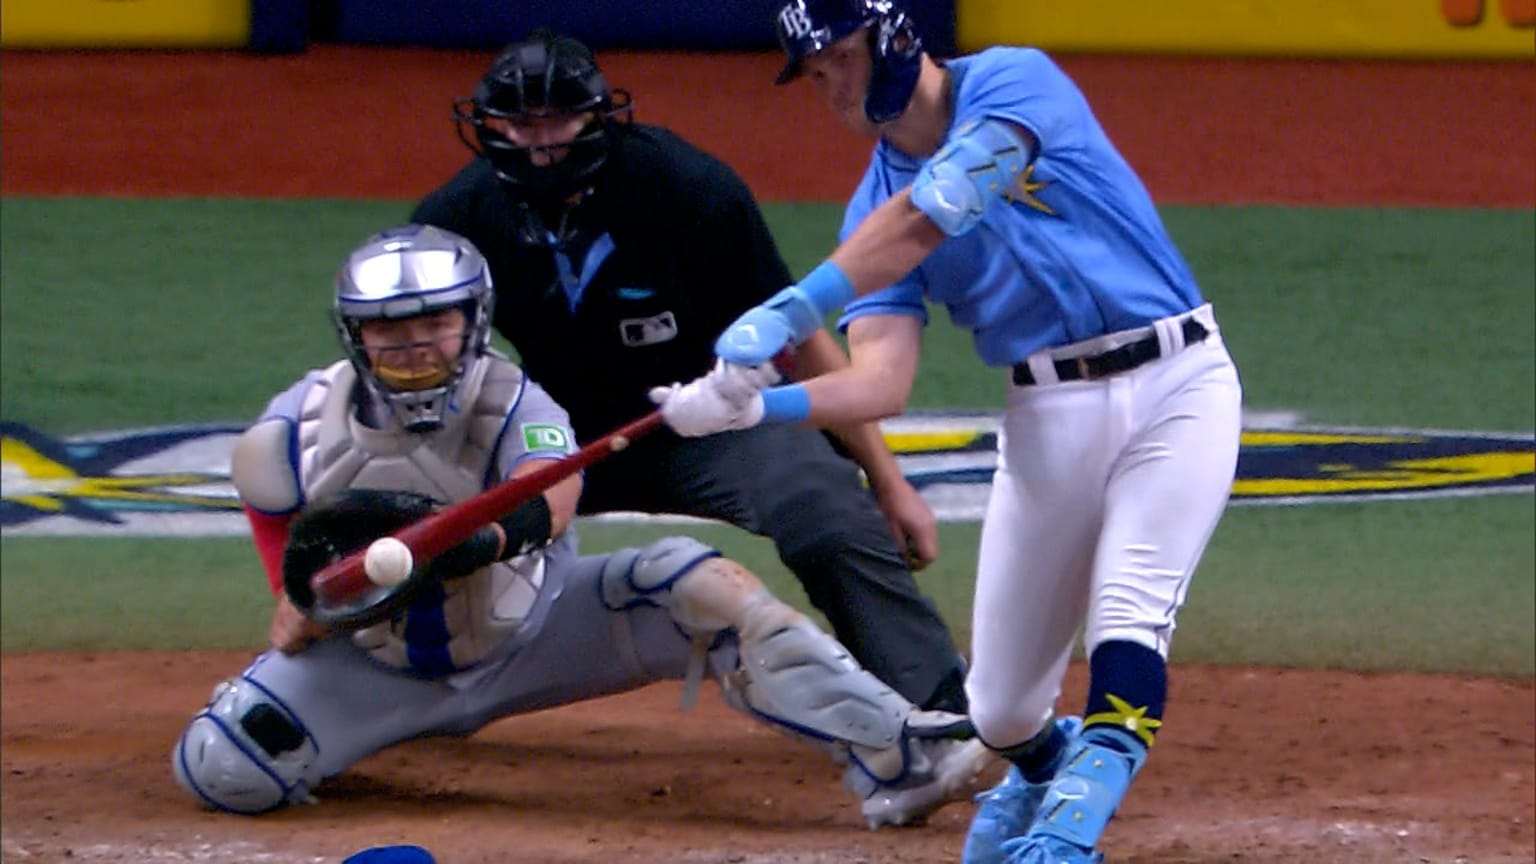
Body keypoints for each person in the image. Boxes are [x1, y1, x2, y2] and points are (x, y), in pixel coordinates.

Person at [648, 2, 1245, 863]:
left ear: (891, 36)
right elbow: (879, 382)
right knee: (1000, 709)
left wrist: (789, 310)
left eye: (839, 58)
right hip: (1050, 417)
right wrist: (757, 407)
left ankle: (1072, 832)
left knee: (1130, 613)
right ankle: (1040, 769)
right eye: (814, 73)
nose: (829, 86)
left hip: (1178, 383)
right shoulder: (869, 213)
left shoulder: (1014, 81)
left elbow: (939, 211)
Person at [168, 224, 983, 831]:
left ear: (473, 322)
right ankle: (368, 734)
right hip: (379, 665)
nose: (415, 345)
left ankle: (899, 751)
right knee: (224, 764)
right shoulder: (294, 429)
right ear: (356, 333)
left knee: (694, 586)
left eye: (435, 323)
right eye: (389, 329)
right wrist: (293, 590)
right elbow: (278, 520)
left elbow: (550, 498)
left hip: (537, 632)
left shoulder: (518, 404)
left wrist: (474, 543)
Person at [409, 29, 990, 825]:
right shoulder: (457, 218)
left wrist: (886, 482)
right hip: (557, 439)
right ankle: (393, 683)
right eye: (519, 124)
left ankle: (944, 713)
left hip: (704, 419)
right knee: (432, 515)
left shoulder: (685, 188)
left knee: (823, 513)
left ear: (596, 116)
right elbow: (431, 361)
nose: (540, 142)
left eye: (558, 120)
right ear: (490, 128)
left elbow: (799, 335)